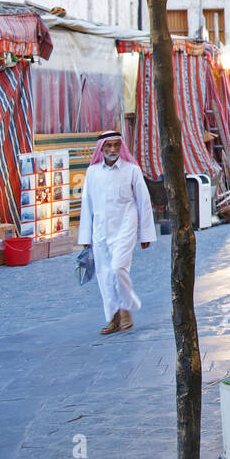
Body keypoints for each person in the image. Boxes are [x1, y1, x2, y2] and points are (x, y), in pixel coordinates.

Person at [78, 130, 156, 335]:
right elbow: (86, 205)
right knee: (104, 275)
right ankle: (113, 317)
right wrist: (85, 237)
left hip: (125, 226)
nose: (112, 150)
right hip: (101, 230)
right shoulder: (92, 173)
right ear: (101, 148)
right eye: (108, 146)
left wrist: (146, 233)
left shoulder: (132, 170)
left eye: (116, 145)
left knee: (118, 268)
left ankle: (126, 307)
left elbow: (143, 201)